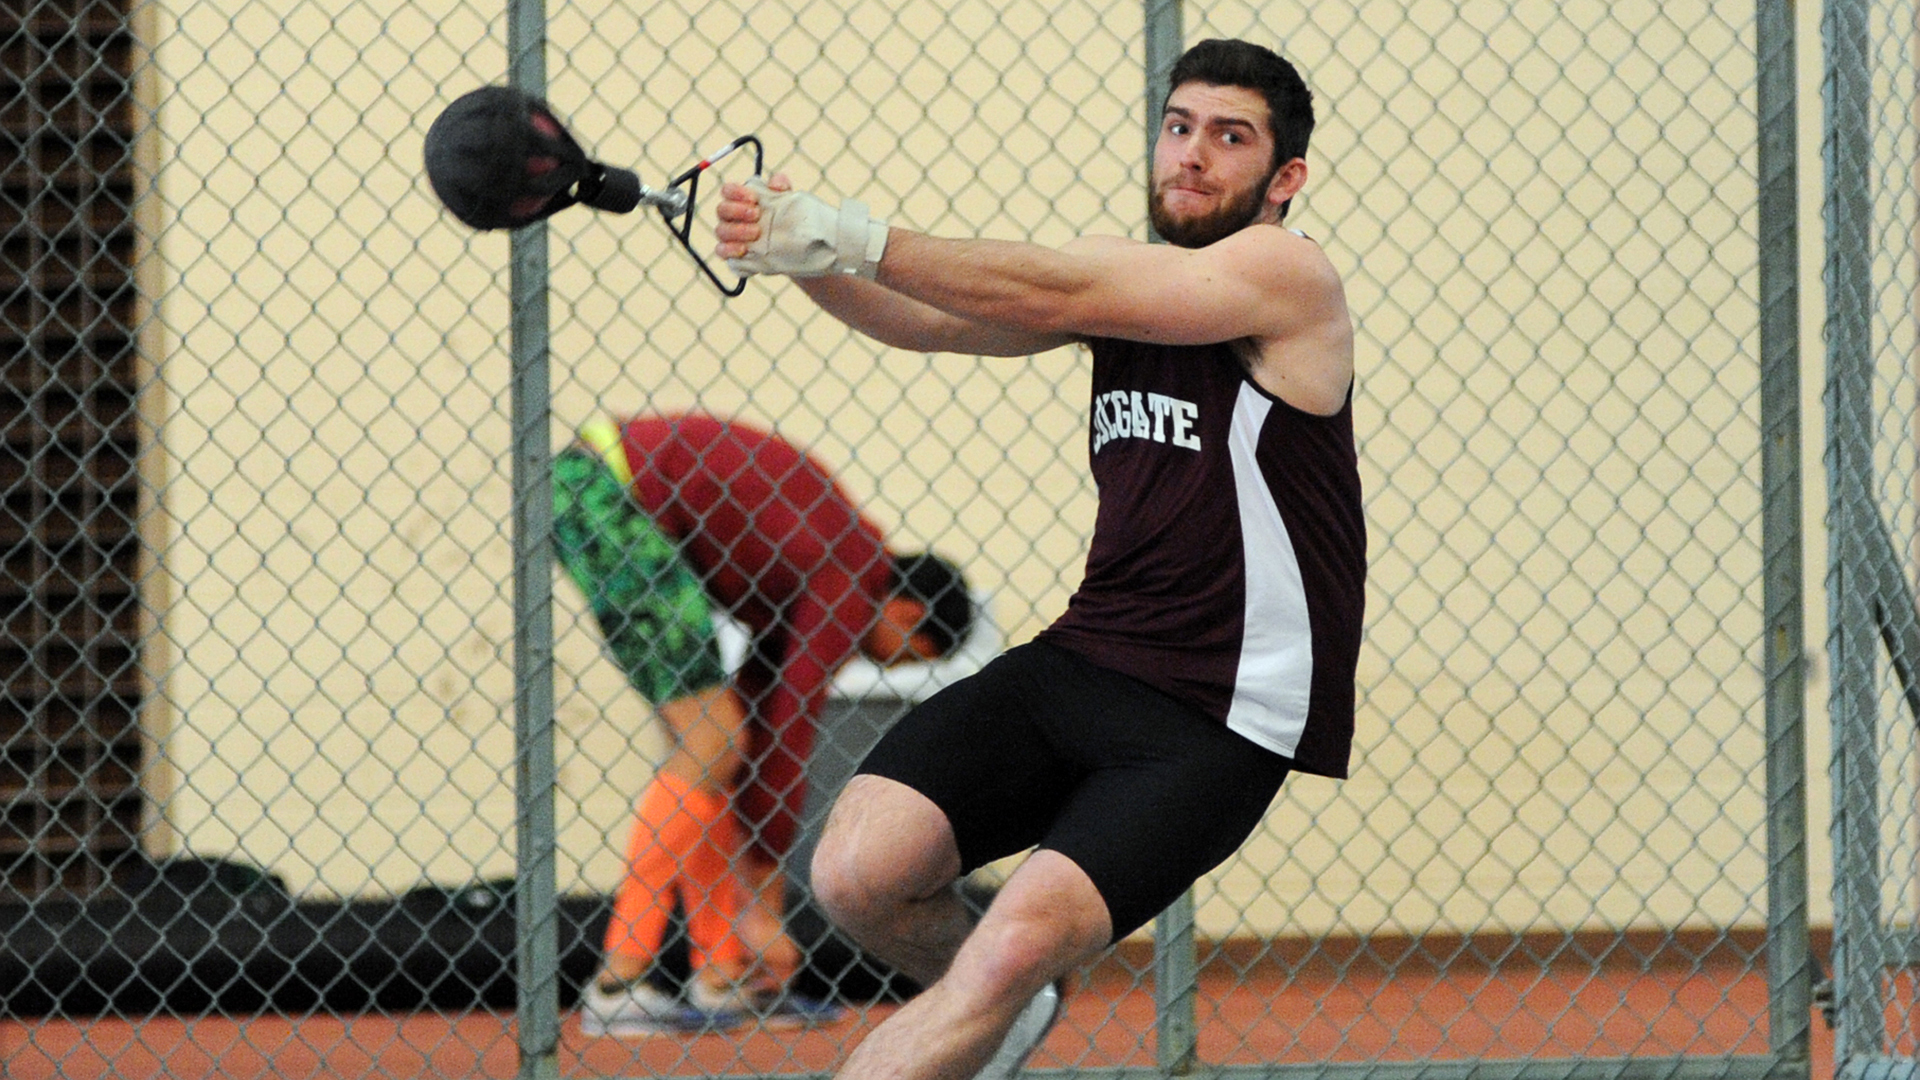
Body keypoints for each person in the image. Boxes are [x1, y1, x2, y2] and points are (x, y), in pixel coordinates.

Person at [712, 37, 1365, 1080]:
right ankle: (999, 1015)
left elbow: (1052, 291)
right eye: (1179, 127)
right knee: (857, 873)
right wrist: (802, 257)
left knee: (1011, 945)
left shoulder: (1286, 274)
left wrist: (848, 232)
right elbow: (931, 319)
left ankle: (991, 994)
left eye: (1229, 138)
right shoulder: (1123, 285)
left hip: (1216, 713)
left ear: (1284, 178)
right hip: (1087, 658)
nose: (1192, 154)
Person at [553, 412, 975, 1036]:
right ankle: (620, 981)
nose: (889, 666)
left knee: (717, 746)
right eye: (909, 655)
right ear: (907, 615)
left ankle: (724, 973)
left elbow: (763, 720)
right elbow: (791, 733)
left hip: (601, 486)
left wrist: (756, 890)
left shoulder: (823, 568)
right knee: (712, 740)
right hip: (610, 492)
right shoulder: (851, 579)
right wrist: (766, 903)